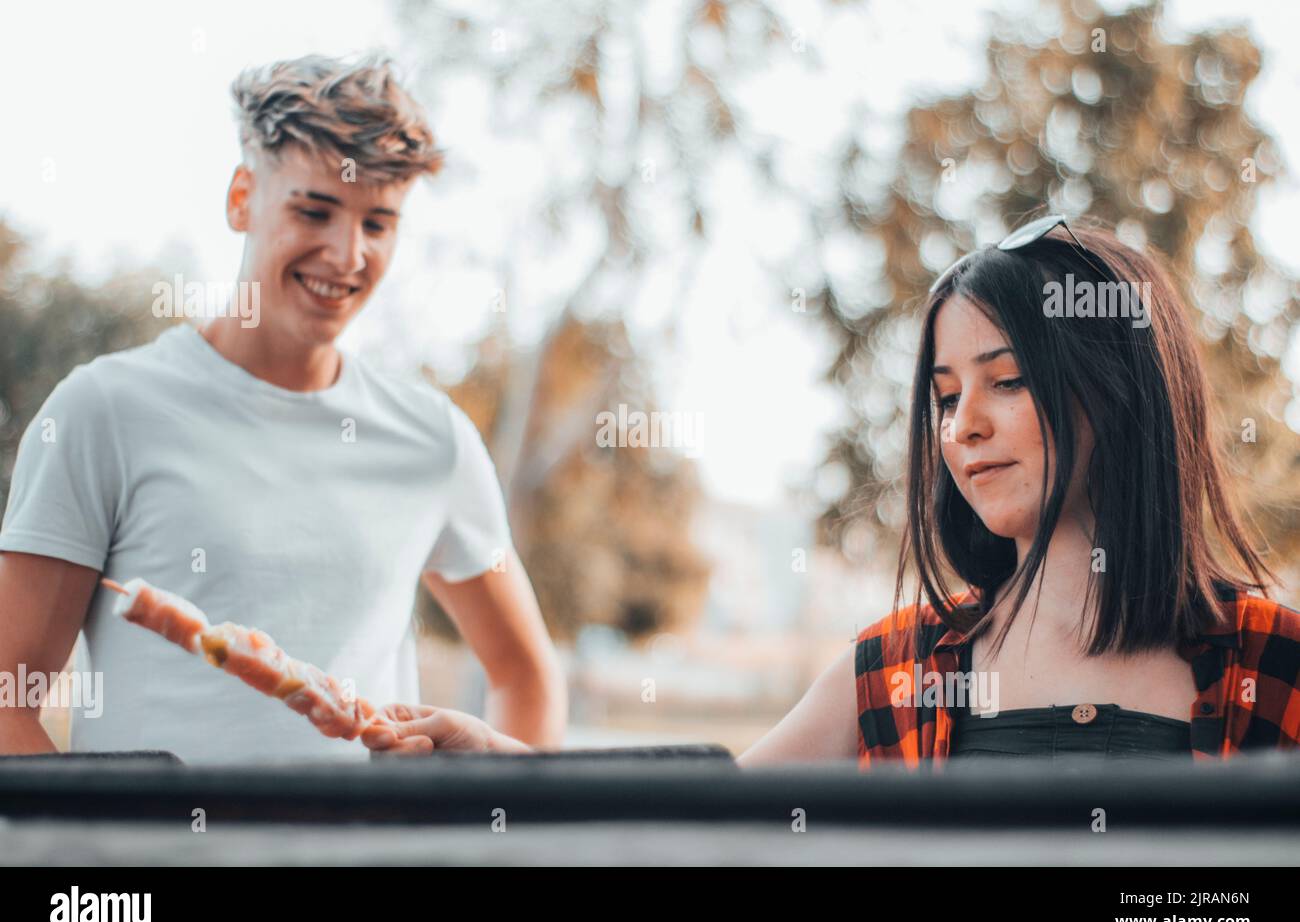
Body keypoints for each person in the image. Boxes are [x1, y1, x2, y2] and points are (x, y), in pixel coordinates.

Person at [363, 217, 1300, 764]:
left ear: (1119, 390)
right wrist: (502, 767)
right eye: (943, 396)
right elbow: (706, 810)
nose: (960, 427)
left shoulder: (1275, 662)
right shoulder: (895, 670)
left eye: (1006, 381)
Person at [0, 53, 566, 763]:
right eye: (314, 210)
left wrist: (490, 830)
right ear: (242, 197)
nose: (346, 254)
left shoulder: (433, 439)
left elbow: (526, 676)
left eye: (379, 224)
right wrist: (94, 861)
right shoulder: (102, 410)